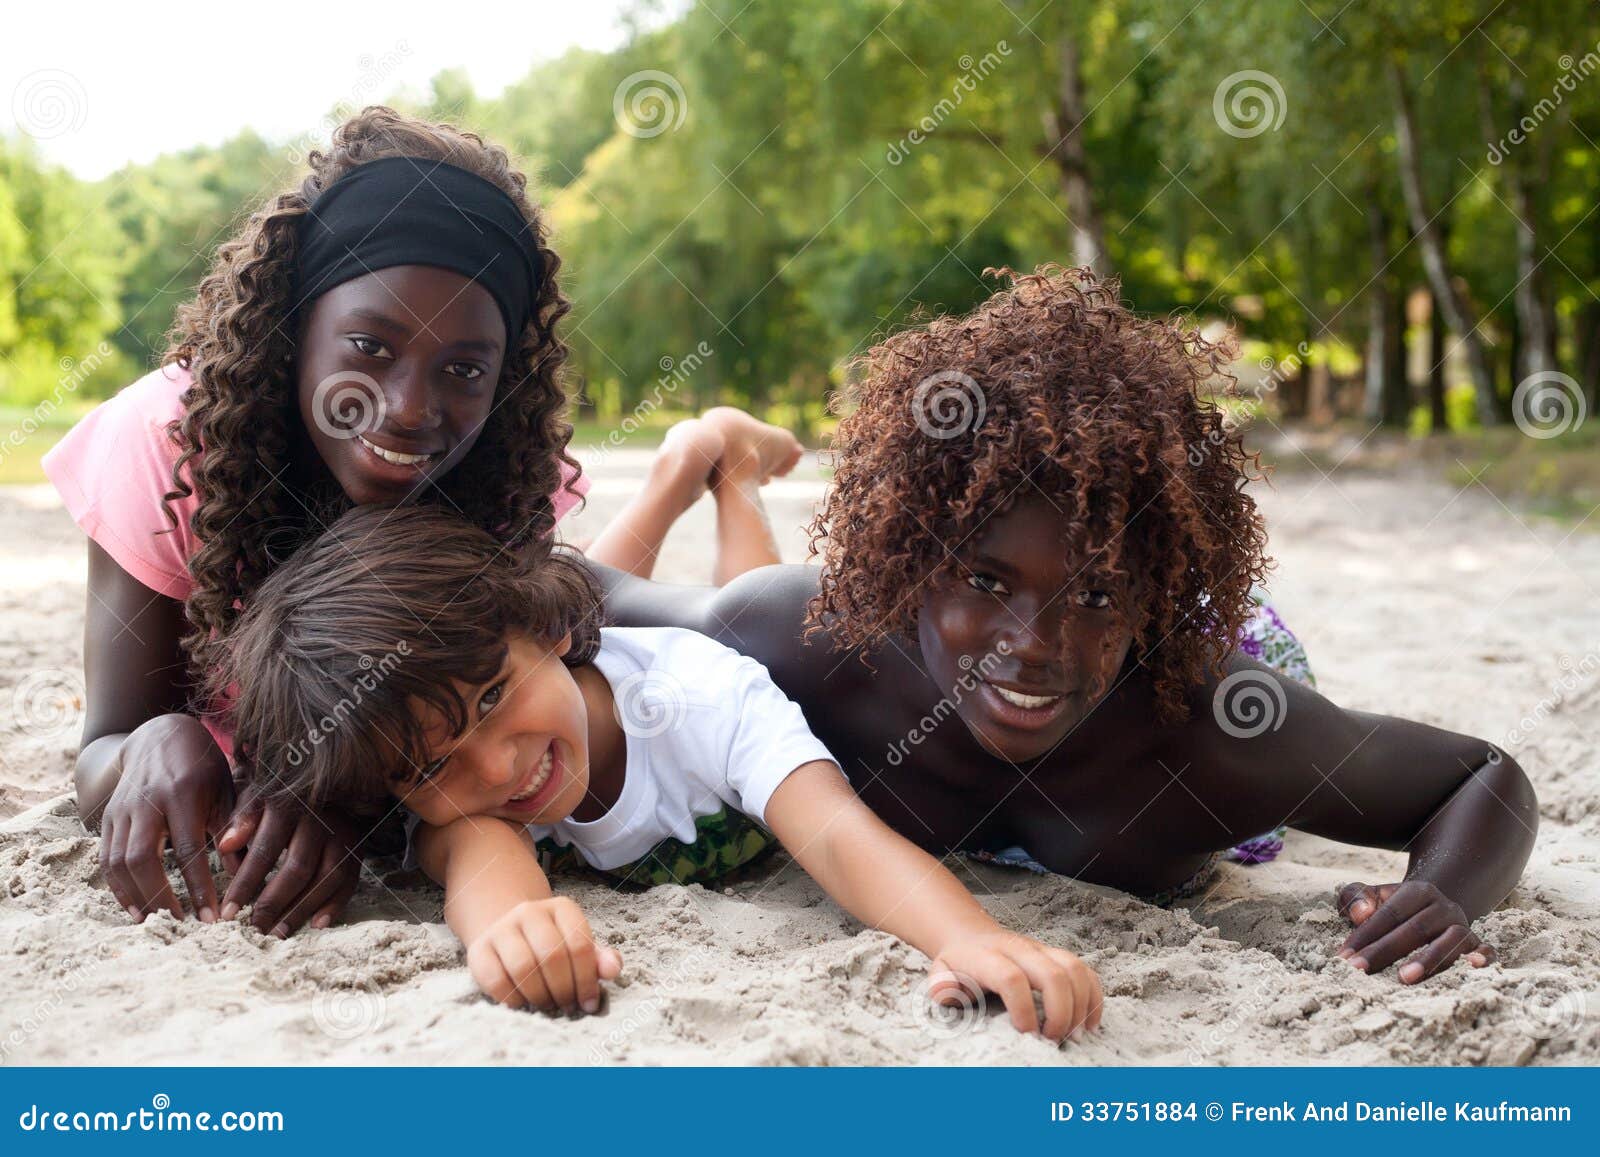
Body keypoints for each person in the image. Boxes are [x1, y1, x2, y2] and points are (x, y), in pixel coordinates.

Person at [594, 267, 1539, 985]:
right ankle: (719, 465)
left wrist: (1445, 892)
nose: (1032, 641)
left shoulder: (1221, 733)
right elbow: (577, 587)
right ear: (911, 564)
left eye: (1091, 593)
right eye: (983, 577)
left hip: (1222, 644)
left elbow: (1478, 775)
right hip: (835, 617)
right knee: (740, 620)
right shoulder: (824, 643)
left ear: (1147, 592)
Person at [42, 105, 799, 939]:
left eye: (464, 367)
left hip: (550, 606)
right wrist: (159, 736)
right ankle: (685, 465)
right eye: (369, 346)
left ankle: (719, 468)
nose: (409, 410)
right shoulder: (169, 451)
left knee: (675, 631)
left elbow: (576, 639)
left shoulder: (490, 462)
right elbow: (103, 748)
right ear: (296, 329)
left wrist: (337, 797)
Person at [212, 505, 1104, 1041]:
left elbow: (838, 836)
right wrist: (514, 930)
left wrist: (966, 936)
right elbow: (478, 854)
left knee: (751, 584)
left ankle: (722, 471)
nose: (500, 766)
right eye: (435, 763)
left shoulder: (703, 696)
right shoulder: (464, 799)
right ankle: (686, 464)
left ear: (547, 629)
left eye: (492, 697)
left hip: (761, 640)